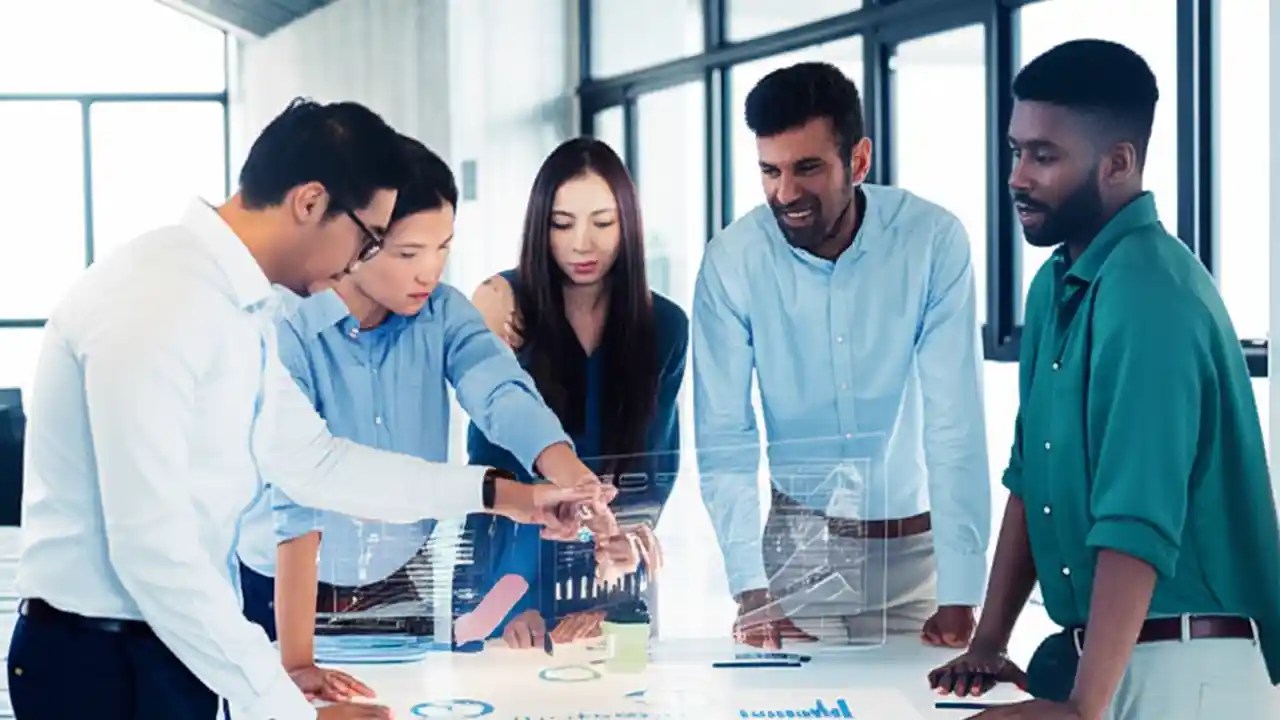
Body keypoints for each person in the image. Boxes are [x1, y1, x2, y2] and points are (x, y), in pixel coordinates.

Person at [7, 99, 617, 720]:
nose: (361, 262)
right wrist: (290, 708)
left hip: (169, 652)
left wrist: (509, 496)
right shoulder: (160, 299)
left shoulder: (239, 308)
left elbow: (317, 464)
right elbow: (151, 549)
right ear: (309, 203)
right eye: (371, 238)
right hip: (97, 663)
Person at [929, 40, 1280, 720]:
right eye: (1015, 150)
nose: (1018, 176)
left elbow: (1136, 518)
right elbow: (1031, 479)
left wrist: (1083, 709)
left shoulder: (1149, 290)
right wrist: (987, 642)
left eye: (1044, 156)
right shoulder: (1055, 286)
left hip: (1186, 677)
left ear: (1118, 162)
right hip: (1113, 661)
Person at [229, 135, 626, 700]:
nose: (430, 272)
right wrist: (297, 664)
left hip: (399, 575)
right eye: (409, 253)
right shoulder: (289, 329)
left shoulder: (443, 311)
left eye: (443, 248)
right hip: (282, 588)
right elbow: (296, 500)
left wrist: (573, 478)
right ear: (356, 243)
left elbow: (501, 393)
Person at [693, 62, 991, 650]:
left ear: (858, 161)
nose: (785, 193)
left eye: (807, 169)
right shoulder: (734, 259)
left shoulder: (932, 242)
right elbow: (725, 433)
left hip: (916, 558)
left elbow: (955, 422)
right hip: (798, 553)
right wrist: (750, 588)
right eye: (770, 171)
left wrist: (962, 590)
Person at [468, 137, 688, 649]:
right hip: (510, 568)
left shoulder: (666, 328)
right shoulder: (502, 306)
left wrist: (616, 575)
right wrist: (512, 602)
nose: (582, 245)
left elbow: (652, 473)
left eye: (603, 223)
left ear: (628, 225)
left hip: (614, 573)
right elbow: (486, 470)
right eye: (562, 224)